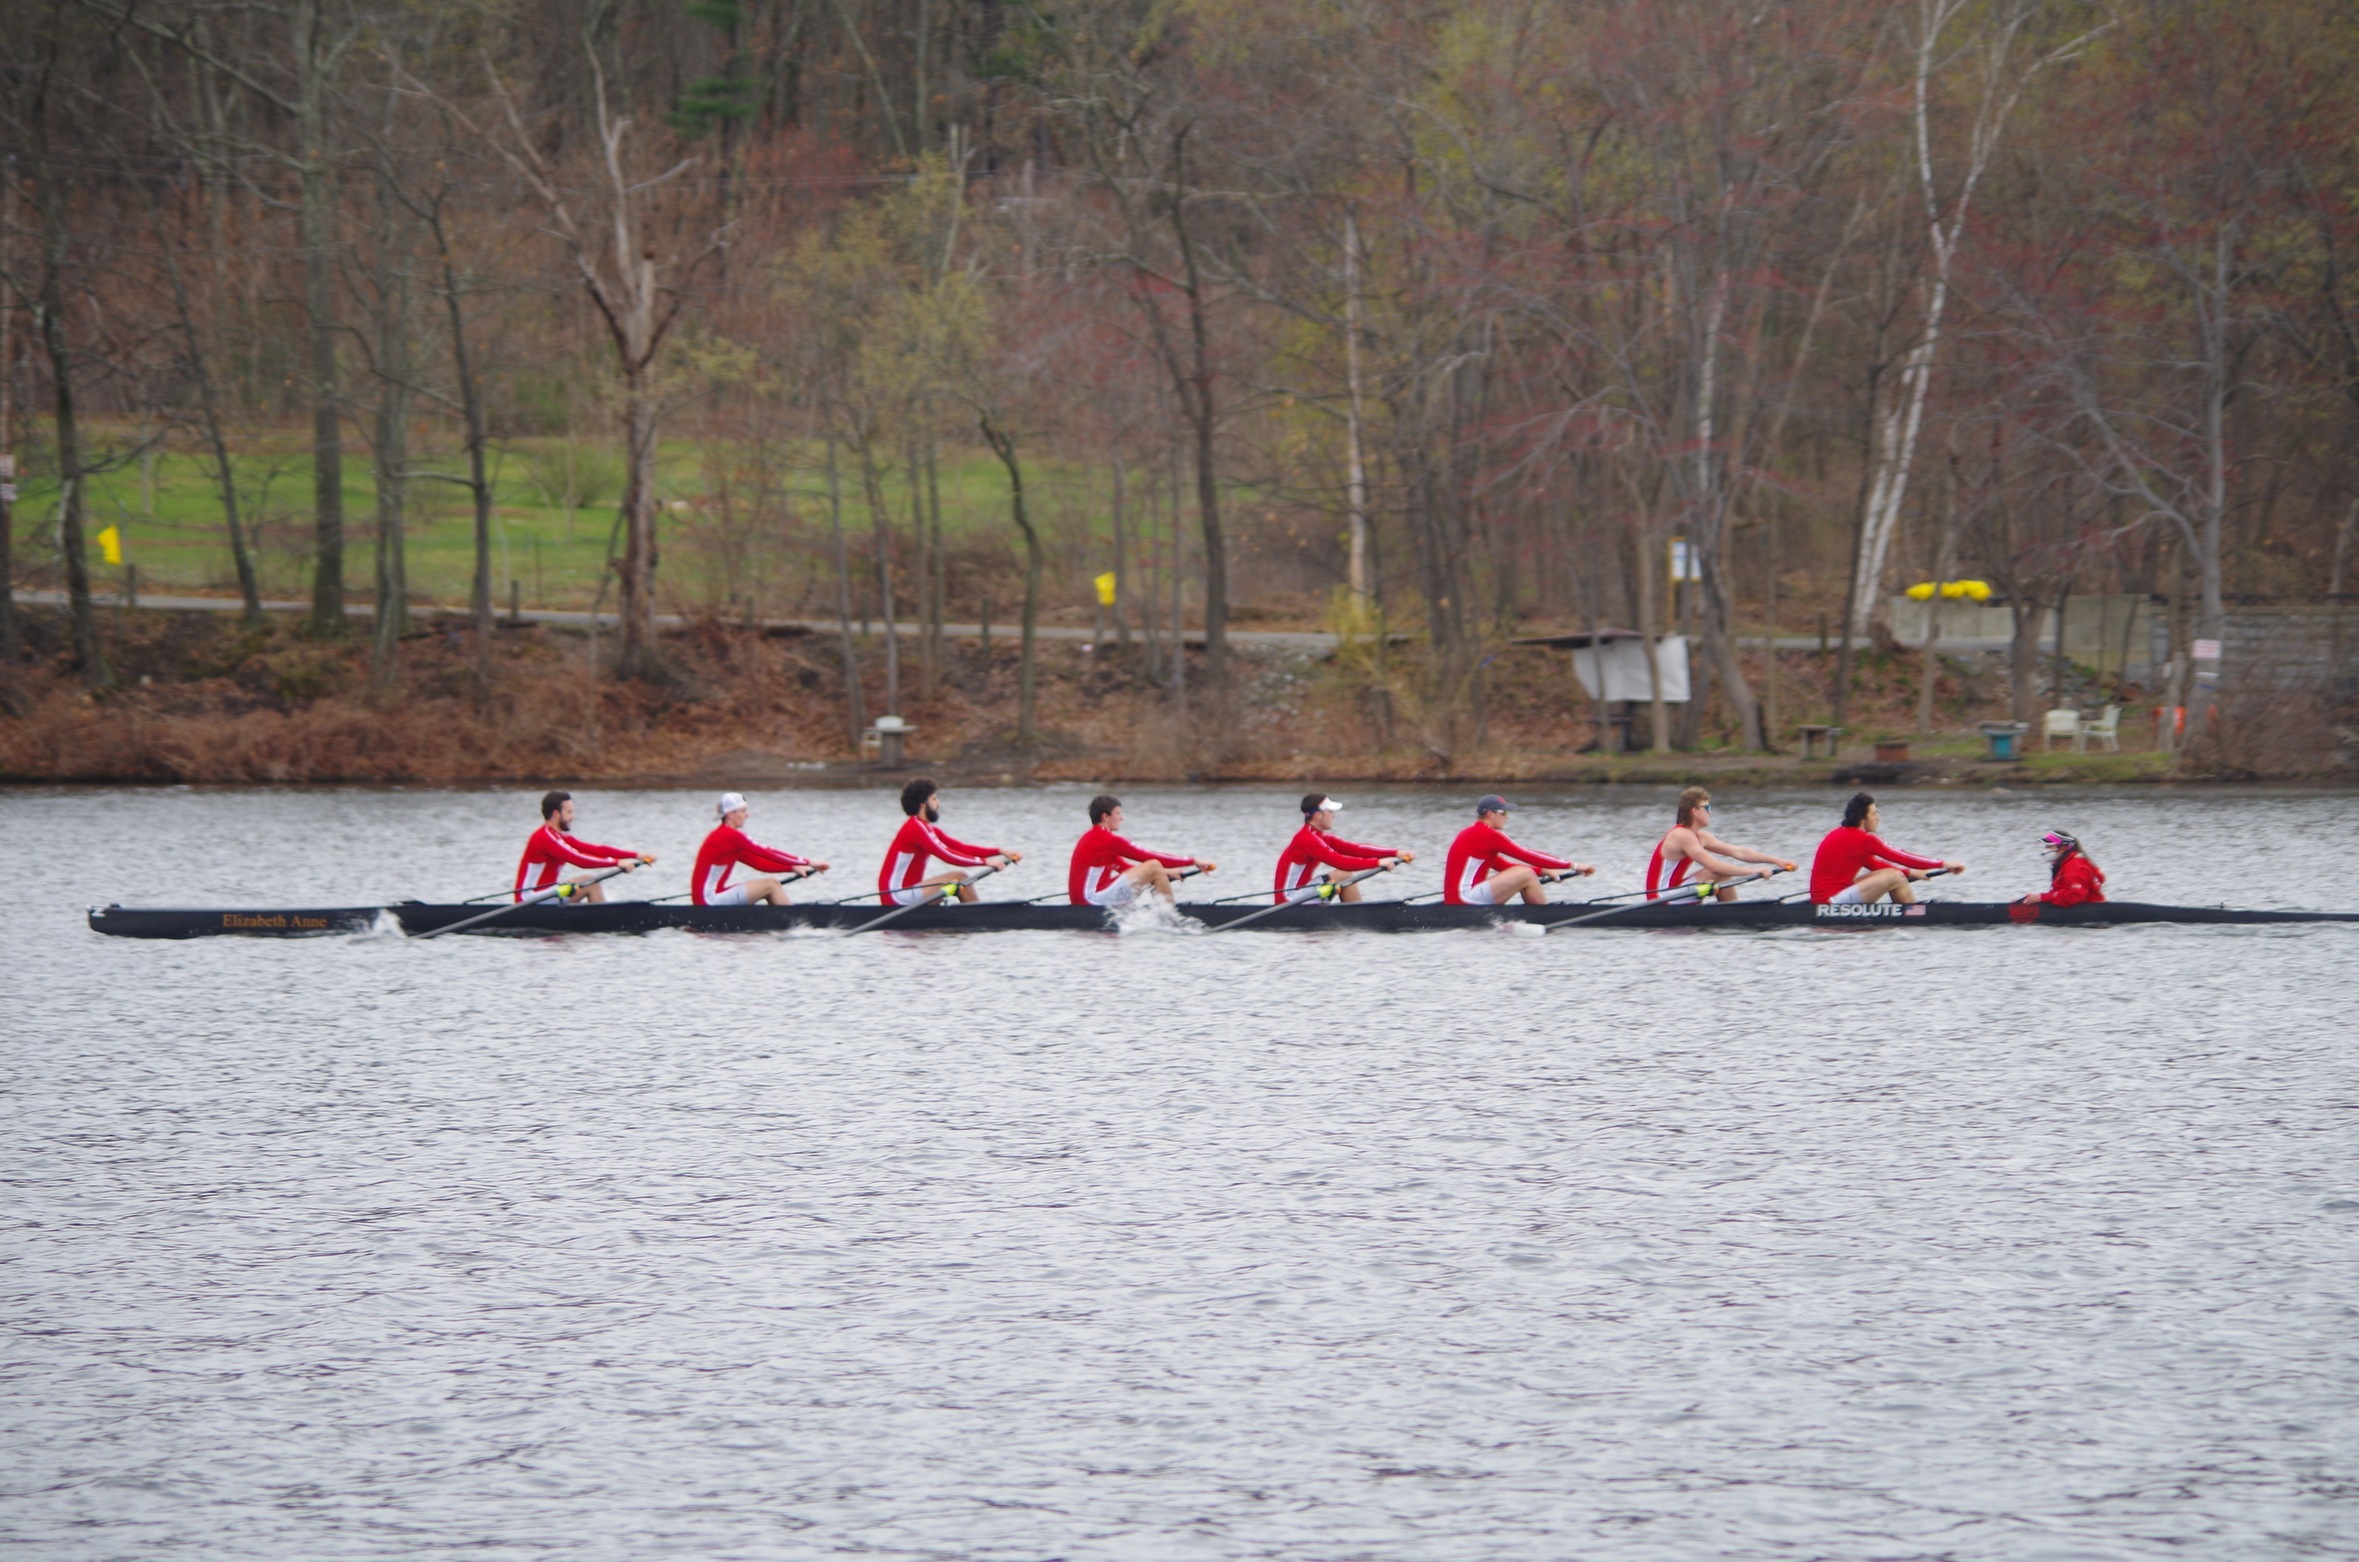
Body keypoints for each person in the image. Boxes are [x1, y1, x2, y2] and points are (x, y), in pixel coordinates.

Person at [880, 777, 1020, 905]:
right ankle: (979, 917)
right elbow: (946, 855)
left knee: (958, 884)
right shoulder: (915, 827)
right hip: (895, 895)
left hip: (908, 892)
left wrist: (1000, 851)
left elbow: (961, 848)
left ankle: (968, 919)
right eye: (934, 799)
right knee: (959, 878)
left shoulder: (925, 828)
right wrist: (985, 862)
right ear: (923, 805)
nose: (938, 803)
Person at [1809, 791, 1963, 905]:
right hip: (1830, 903)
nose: (1878, 817)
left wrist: (1911, 873)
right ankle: (1914, 914)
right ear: (1862, 818)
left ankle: (1911, 911)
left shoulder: (1843, 835)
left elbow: (1875, 865)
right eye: (1874, 813)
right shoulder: (1863, 839)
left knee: (1894, 874)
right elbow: (1902, 856)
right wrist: (1943, 863)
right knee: (1895, 876)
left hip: (1830, 897)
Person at [1646, 786, 1797, 901]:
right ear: (1695, 811)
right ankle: (1732, 914)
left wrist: (1777, 861)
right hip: (1661, 898)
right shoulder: (1681, 835)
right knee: (1718, 872)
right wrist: (1754, 872)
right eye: (1707, 807)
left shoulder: (1701, 836)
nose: (1710, 812)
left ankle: (1731, 912)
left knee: (1721, 875)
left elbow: (1738, 852)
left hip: (1675, 891)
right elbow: (1714, 866)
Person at [1442, 794, 1594, 905]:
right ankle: (1543, 914)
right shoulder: (1488, 835)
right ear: (1490, 814)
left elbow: (1503, 866)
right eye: (1504, 813)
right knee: (1525, 874)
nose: (1507, 817)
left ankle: (1540, 910)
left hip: (1458, 899)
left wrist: (1543, 871)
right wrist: (1573, 865)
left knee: (1524, 873)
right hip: (1464, 899)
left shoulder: (1472, 833)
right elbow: (1525, 854)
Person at [1068, 795, 1216, 906]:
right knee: (1153, 865)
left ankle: (1164, 909)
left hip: (1083, 899)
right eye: (1118, 813)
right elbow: (1146, 856)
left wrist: (1167, 872)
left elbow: (1124, 869)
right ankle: (1169, 915)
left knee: (1155, 868)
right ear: (1106, 816)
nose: (1122, 817)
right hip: (1090, 901)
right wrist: (1192, 861)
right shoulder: (1107, 839)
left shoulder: (1093, 838)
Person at [514, 790, 653, 903]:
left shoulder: (559, 837)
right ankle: (603, 927)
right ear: (556, 814)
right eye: (569, 812)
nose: (573, 816)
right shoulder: (544, 838)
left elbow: (596, 850)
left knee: (584, 883)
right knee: (591, 883)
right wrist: (616, 862)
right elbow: (579, 860)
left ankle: (593, 922)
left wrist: (636, 855)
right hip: (529, 899)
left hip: (547, 894)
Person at [693, 792, 828, 906]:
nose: (747, 815)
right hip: (708, 901)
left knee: (770, 886)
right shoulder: (729, 836)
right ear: (730, 814)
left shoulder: (726, 838)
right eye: (743, 811)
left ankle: (781, 922)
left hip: (711, 897)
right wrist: (807, 862)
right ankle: (794, 922)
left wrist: (792, 867)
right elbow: (767, 852)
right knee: (771, 885)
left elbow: (759, 863)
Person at [1274, 794, 1415, 903]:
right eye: (1330, 812)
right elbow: (1341, 862)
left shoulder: (1319, 837)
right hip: (1288, 899)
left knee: (1343, 876)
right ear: (1318, 815)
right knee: (1343, 876)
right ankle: (1357, 917)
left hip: (1302, 891)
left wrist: (1395, 852)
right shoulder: (1306, 839)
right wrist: (1377, 863)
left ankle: (1356, 913)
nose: (1334, 815)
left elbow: (1358, 849)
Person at [2019, 830, 2106, 907]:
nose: (2045, 850)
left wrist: (2042, 897)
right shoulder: (2064, 864)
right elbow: (2059, 894)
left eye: (2048, 847)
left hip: (2087, 909)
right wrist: (2026, 901)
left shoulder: (2076, 866)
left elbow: (2075, 896)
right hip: (2075, 908)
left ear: (2062, 849)